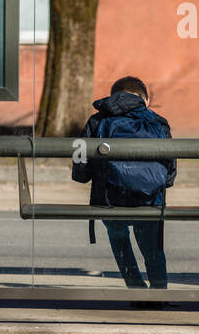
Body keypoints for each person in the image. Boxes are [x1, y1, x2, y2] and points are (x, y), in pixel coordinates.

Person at [71, 76, 176, 307]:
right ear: (145, 99)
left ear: (113, 96)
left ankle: (136, 292)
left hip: (110, 199)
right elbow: (169, 172)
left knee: (120, 241)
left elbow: (80, 170)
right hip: (149, 199)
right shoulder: (157, 121)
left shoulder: (97, 120)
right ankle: (159, 296)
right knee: (152, 248)